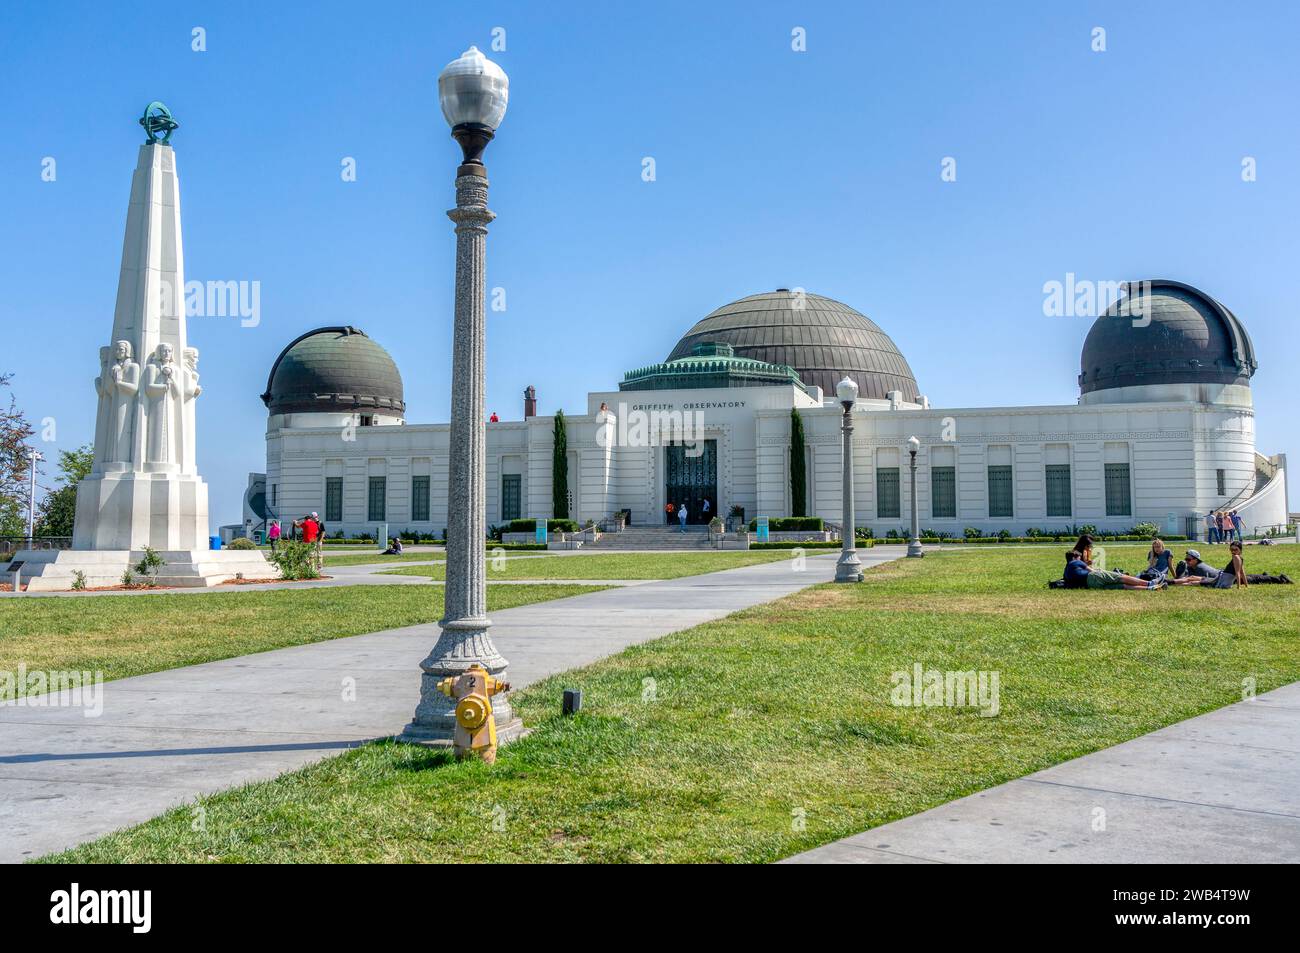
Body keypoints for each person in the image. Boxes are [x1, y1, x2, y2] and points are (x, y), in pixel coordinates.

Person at [1063, 549, 1163, 590]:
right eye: (1080, 557)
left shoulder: (1066, 570)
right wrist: (1100, 571)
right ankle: (1149, 583)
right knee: (1120, 577)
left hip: (1090, 585)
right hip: (1093, 577)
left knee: (1122, 586)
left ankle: (1150, 589)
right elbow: (1091, 571)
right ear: (1075, 557)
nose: (1081, 558)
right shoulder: (1075, 561)